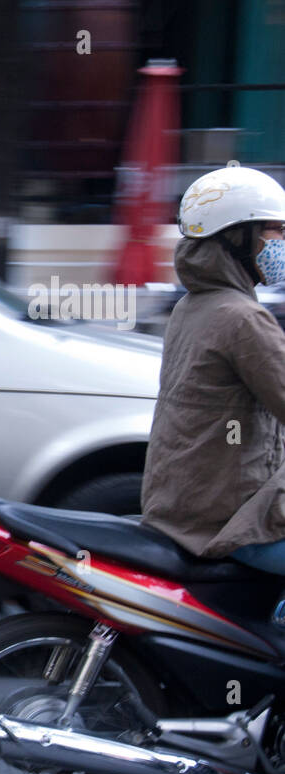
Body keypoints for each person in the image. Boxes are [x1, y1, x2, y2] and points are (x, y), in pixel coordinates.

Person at [141, 166, 285, 578]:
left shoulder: (193, 307)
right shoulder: (242, 318)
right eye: (275, 231)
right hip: (229, 521)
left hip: (181, 507)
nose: (282, 243)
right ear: (239, 237)